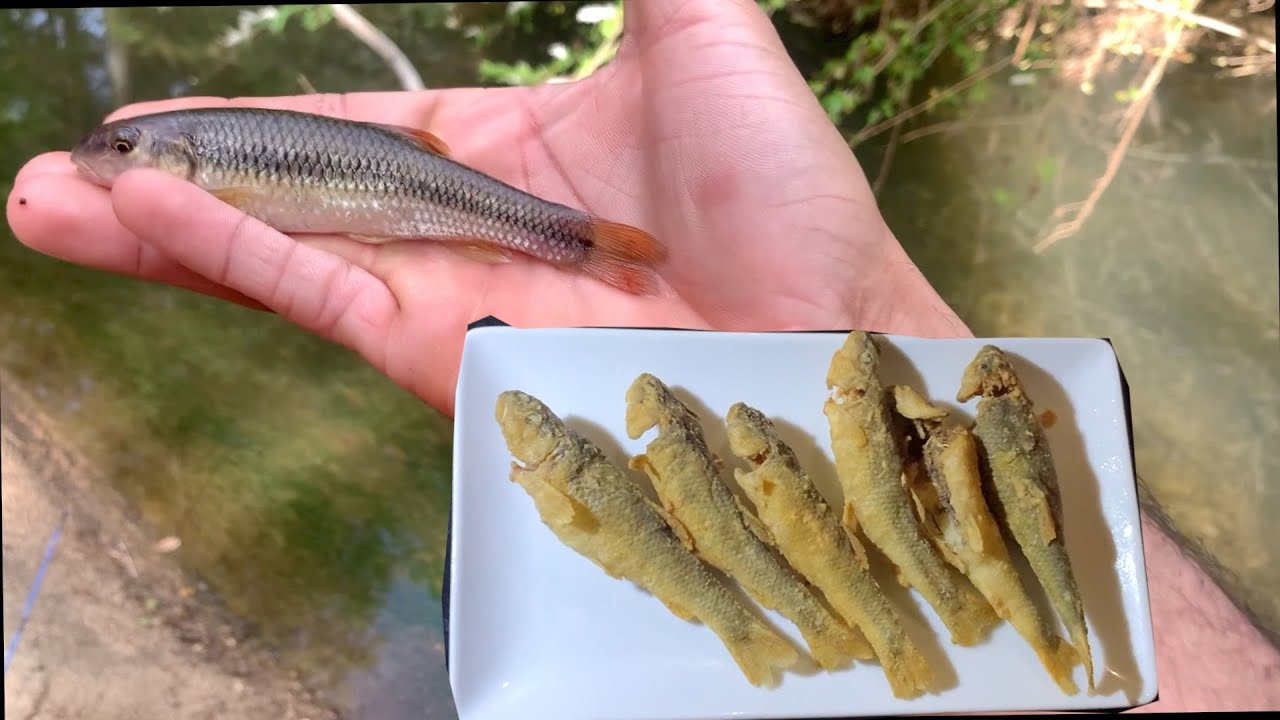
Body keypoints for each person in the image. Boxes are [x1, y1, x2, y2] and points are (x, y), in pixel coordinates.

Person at [5, 0, 1276, 710]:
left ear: (177, 156)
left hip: (478, 219)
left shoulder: (204, 146)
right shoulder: (197, 152)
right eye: (121, 152)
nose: (111, 158)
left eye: (123, 153)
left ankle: (563, 247)